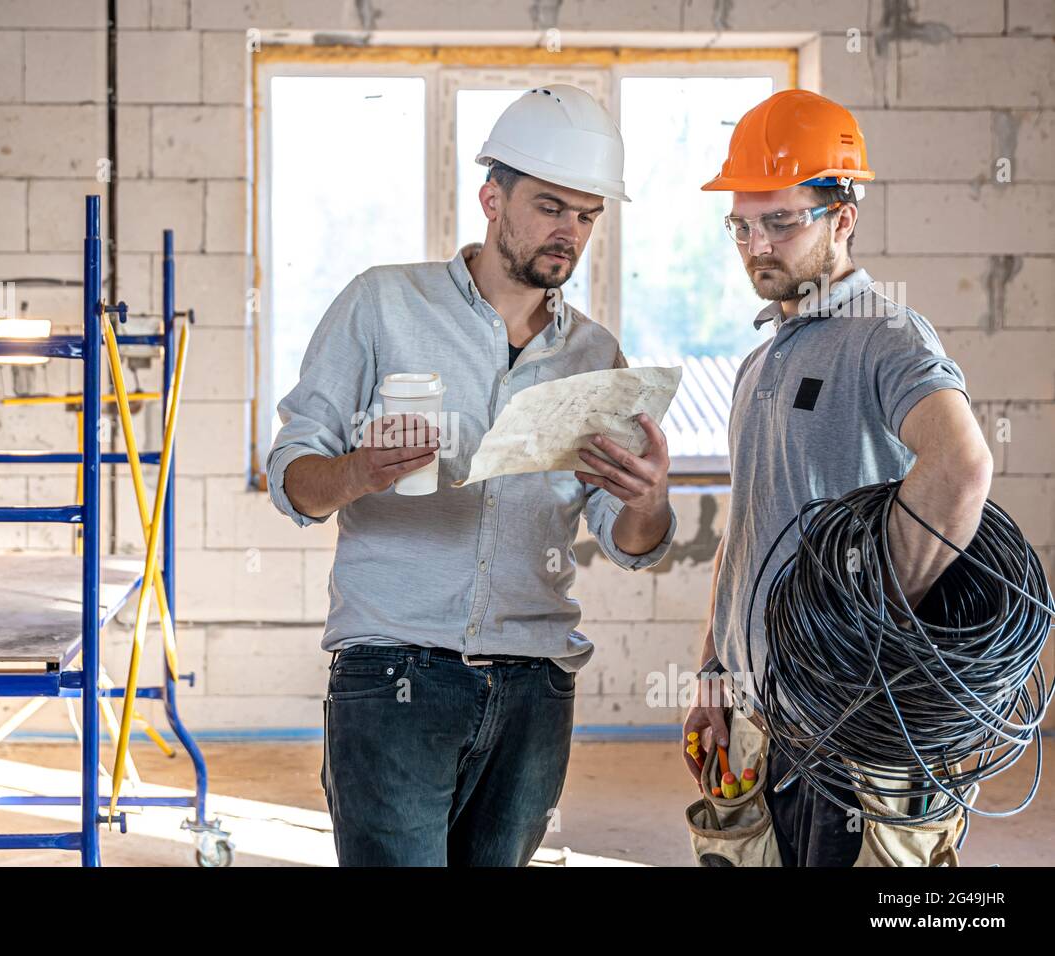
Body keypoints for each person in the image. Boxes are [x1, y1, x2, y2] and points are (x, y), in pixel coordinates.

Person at [266, 85, 675, 866]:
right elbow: (293, 480)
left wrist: (648, 501)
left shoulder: (595, 355)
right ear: (493, 198)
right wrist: (357, 471)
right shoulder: (382, 305)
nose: (570, 232)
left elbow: (629, 543)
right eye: (552, 206)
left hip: (534, 687)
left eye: (588, 216)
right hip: (394, 676)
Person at [682, 89, 993, 866]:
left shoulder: (884, 335)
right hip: (762, 715)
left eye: (782, 221)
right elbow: (747, 524)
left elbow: (961, 465)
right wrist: (711, 672)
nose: (758, 244)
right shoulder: (759, 361)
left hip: (855, 719)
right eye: (743, 225)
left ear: (841, 217)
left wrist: (868, 622)